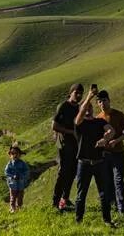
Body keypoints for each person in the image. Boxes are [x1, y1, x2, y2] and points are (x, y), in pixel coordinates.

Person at [73, 88, 116, 225]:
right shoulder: (79, 124)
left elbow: (112, 131)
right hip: (84, 163)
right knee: (81, 194)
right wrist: (89, 96)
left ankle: (107, 220)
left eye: (90, 107)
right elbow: (80, 115)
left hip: (99, 162)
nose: (88, 109)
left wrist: (105, 139)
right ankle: (78, 221)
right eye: (85, 108)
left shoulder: (99, 122)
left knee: (104, 194)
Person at [95, 90, 124, 215]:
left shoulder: (119, 115)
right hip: (104, 154)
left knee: (118, 179)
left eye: (104, 100)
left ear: (109, 100)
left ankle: (121, 207)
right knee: (108, 180)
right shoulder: (98, 118)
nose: (102, 103)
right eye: (99, 101)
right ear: (97, 104)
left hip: (118, 152)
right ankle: (112, 204)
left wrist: (117, 140)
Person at [51, 83, 83, 211]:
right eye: (76, 93)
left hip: (76, 145)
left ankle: (65, 199)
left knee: (73, 172)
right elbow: (54, 126)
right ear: (70, 93)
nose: (79, 95)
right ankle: (55, 202)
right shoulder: (63, 106)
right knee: (63, 172)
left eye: (81, 93)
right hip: (64, 145)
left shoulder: (79, 108)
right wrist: (71, 132)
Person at [4, 146, 30, 213]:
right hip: (13, 184)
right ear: (10, 155)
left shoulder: (22, 163)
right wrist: (12, 176)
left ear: (20, 155)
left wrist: (22, 176)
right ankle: (12, 208)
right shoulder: (10, 164)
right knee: (13, 196)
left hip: (21, 183)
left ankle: (19, 207)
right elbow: (6, 172)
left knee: (20, 196)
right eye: (13, 153)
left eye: (16, 153)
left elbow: (26, 171)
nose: (14, 155)